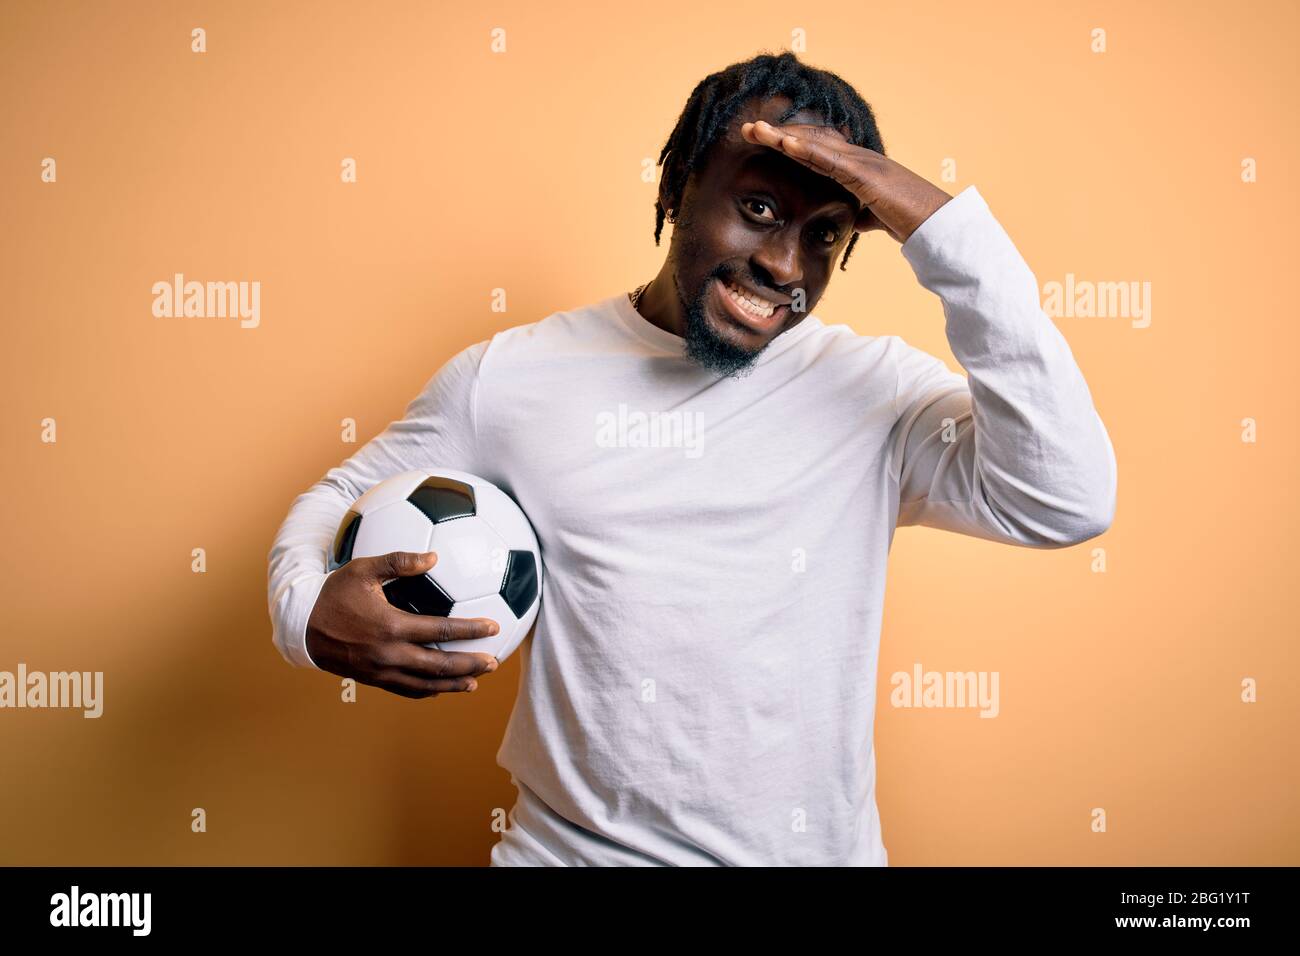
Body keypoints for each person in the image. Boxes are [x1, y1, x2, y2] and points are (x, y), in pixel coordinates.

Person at [266, 50, 1117, 866]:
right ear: (677, 188)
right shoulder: (512, 379)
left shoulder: (874, 395)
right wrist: (307, 615)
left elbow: (1065, 496)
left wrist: (934, 224)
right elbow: (342, 493)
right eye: (757, 210)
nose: (784, 265)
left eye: (823, 234)